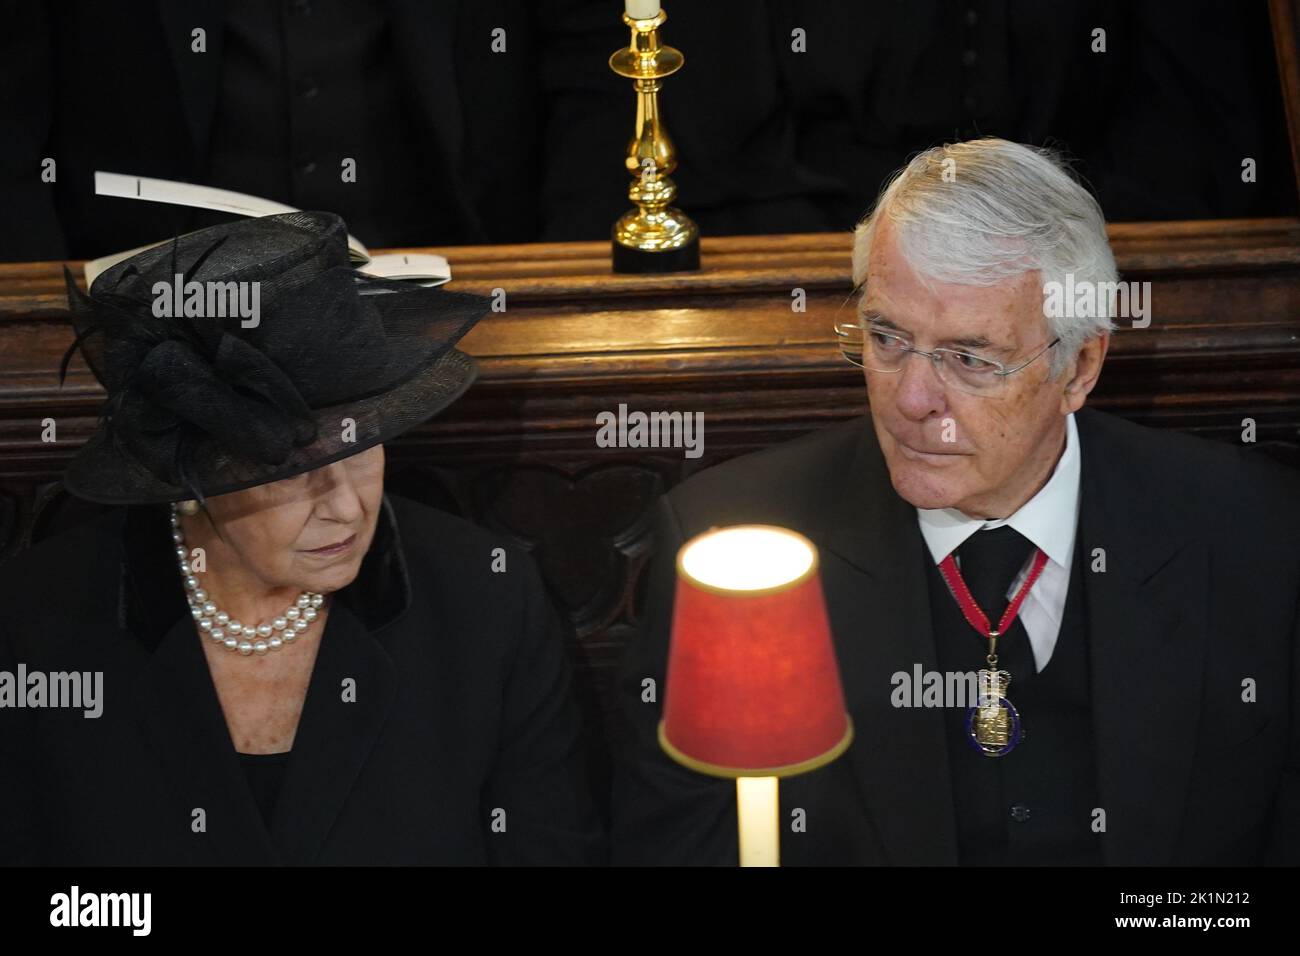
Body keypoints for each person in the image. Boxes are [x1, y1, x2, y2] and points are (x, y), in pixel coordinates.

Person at [611, 138, 1300, 866]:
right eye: (887, 338)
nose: (913, 400)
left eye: (970, 358)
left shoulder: (1251, 531)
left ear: (1080, 366)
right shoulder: (734, 545)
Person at [0, 211, 604, 865]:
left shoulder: (485, 601)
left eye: (362, 448)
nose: (345, 508)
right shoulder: (37, 625)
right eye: (293, 473)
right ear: (190, 474)